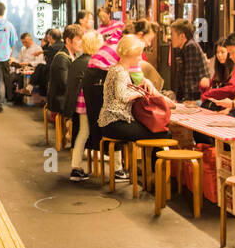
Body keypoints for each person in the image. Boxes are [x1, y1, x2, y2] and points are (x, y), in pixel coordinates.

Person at [96, 34, 162, 180]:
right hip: (115, 123)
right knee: (160, 133)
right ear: (130, 54)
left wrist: (137, 88)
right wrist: (140, 93)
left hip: (110, 122)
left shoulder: (117, 69)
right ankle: (156, 175)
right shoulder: (120, 71)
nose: (140, 58)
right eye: (138, 55)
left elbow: (122, 92)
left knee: (157, 132)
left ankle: (152, 173)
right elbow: (123, 96)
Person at [64, 32, 102, 181]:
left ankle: (76, 167)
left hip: (78, 104)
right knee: (106, 133)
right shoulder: (96, 63)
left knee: (83, 131)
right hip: (93, 104)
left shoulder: (77, 61)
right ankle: (117, 168)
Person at [46, 24, 82, 126]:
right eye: (78, 39)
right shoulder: (61, 58)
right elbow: (65, 83)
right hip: (61, 100)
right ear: (68, 40)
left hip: (67, 97)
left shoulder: (73, 55)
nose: (81, 43)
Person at [168, 18, 210, 103]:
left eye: (172, 35)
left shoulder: (190, 46)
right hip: (190, 97)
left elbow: (190, 75)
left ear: (182, 36)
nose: (170, 38)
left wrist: (188, 99)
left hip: (195, 98)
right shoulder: (185, 47)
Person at [200, 40, 235, 106]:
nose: (219, 55)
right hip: (218, 103)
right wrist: (204, 85)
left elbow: (231, 89)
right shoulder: (219, 67)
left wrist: (209, 94)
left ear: (229, 53)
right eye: (217, 52)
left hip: (230, 104)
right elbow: (212, 84)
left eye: (222, 52)